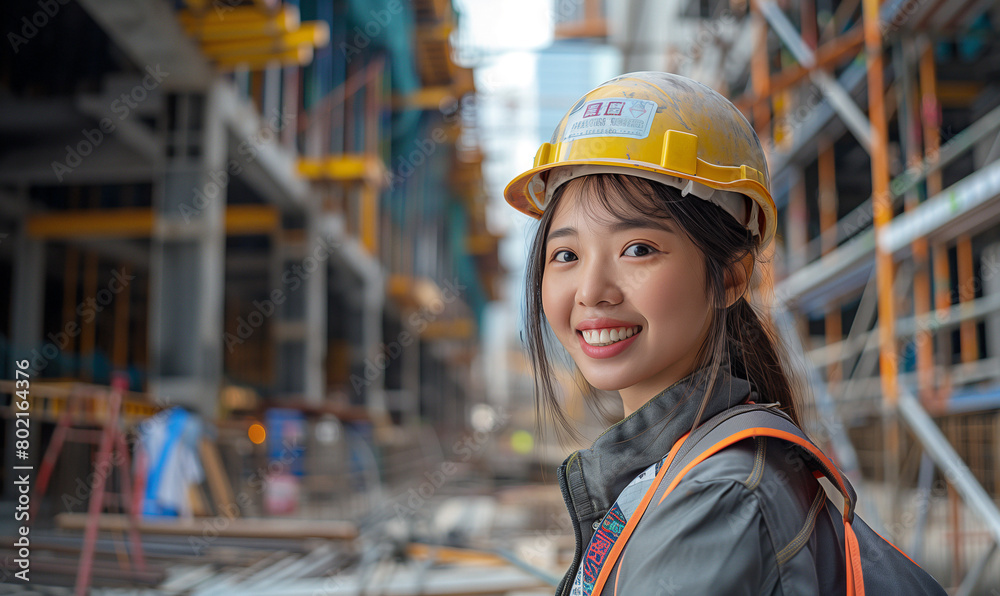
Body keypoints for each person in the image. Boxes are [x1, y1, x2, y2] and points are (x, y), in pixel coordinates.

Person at [505, 71, 848, 595]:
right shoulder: (673, 473)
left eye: (638, 249)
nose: (592, 290)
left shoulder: (717, 500)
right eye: (566, 255)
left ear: (730, 277)